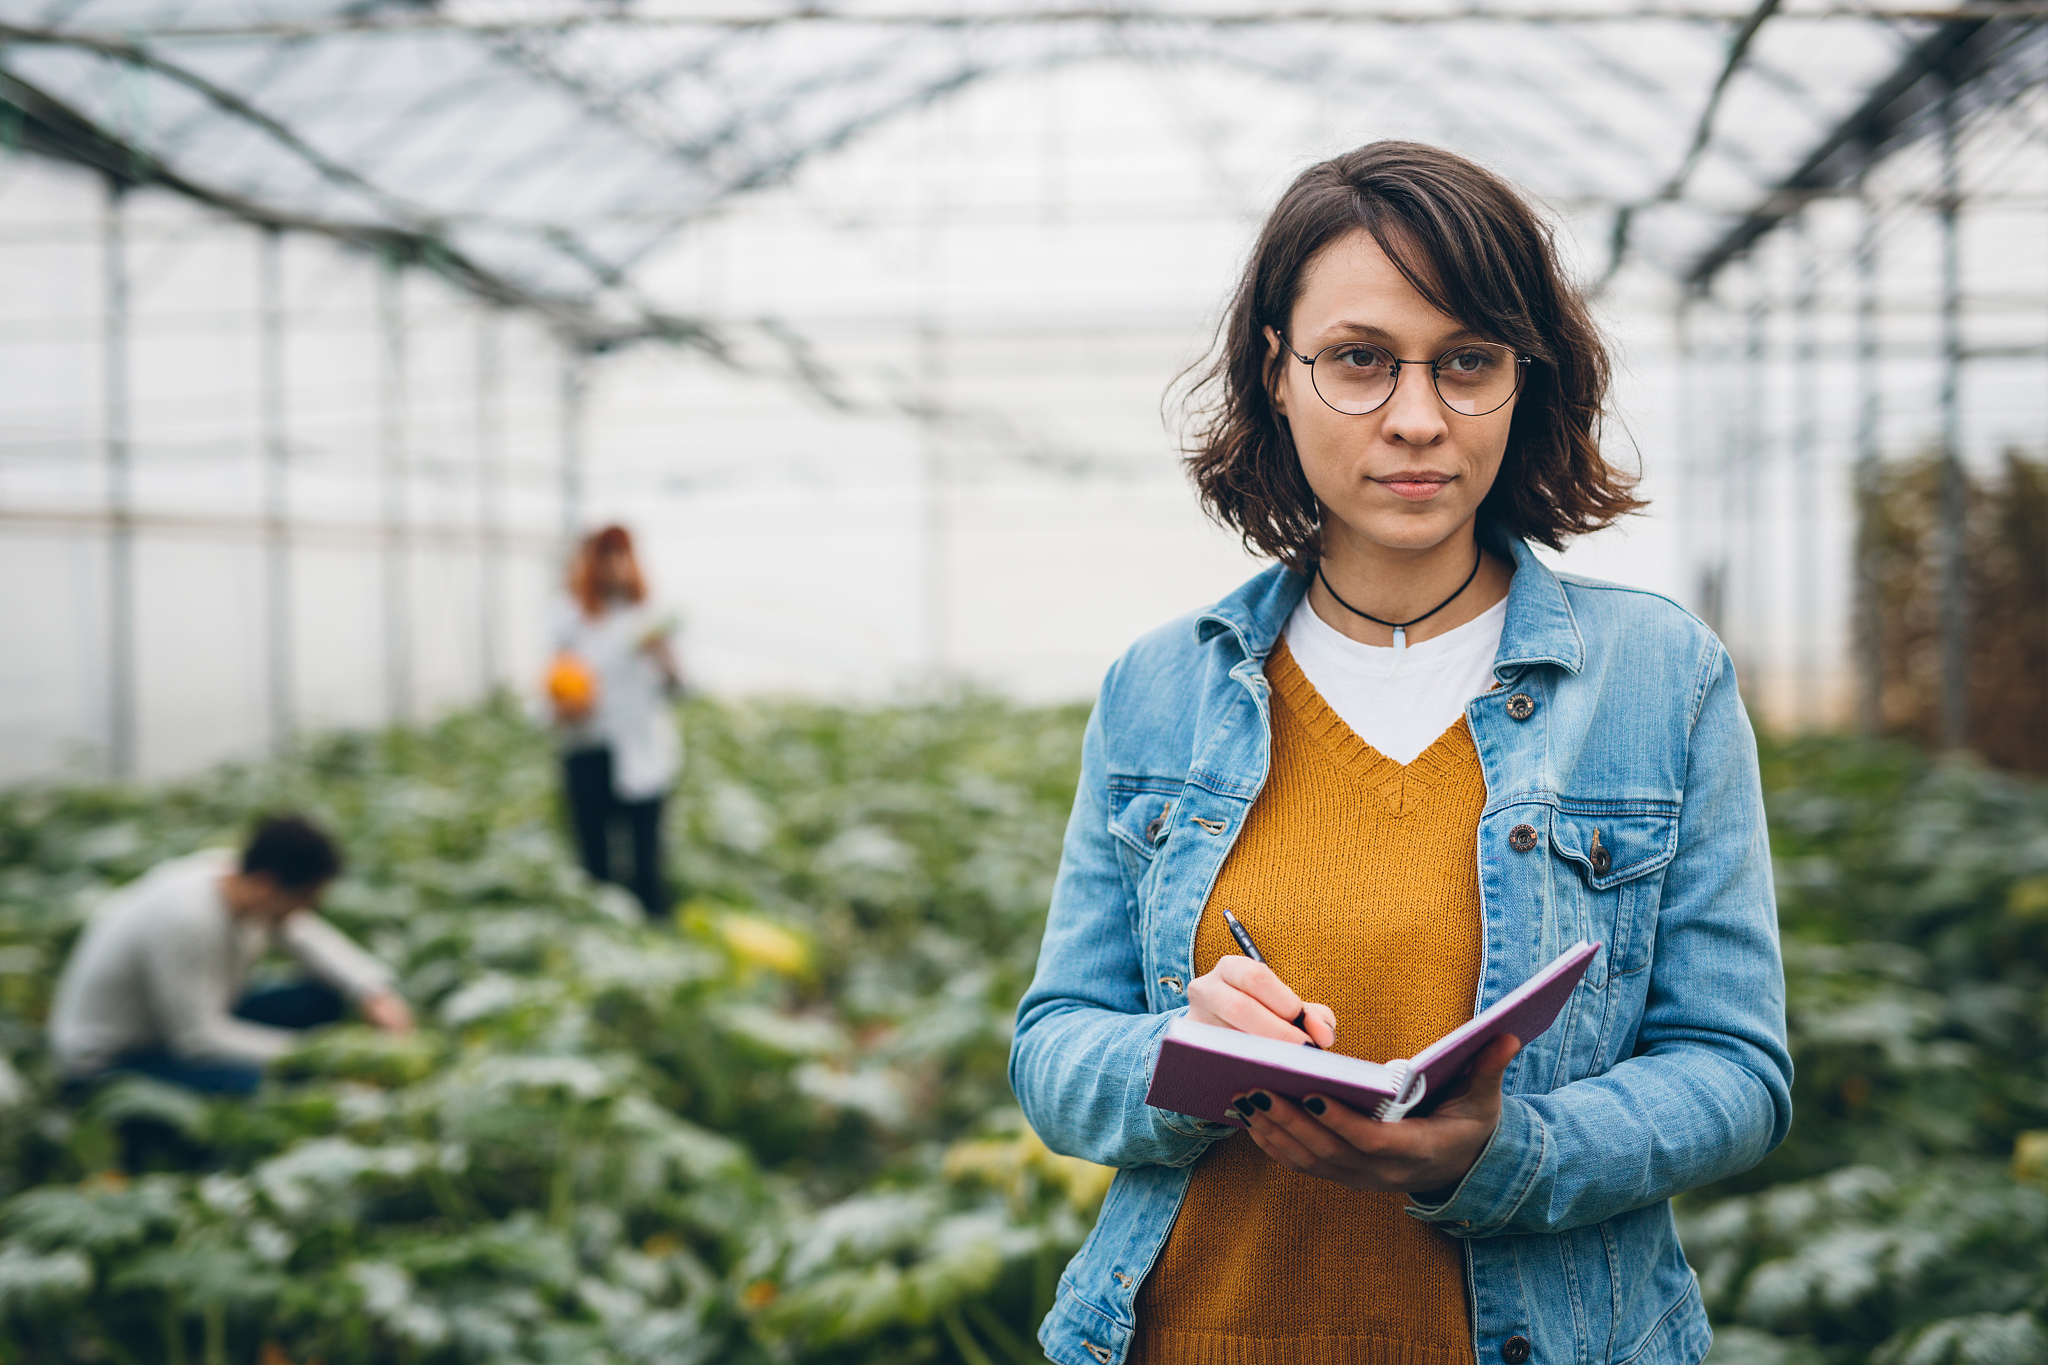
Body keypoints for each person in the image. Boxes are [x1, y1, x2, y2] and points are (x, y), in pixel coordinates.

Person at [1009, 142, 1792, 1365]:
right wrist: (1180, 1054)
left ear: (1526, 379)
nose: (1417, 418)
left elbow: (1733, 1072)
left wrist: (1498, 1153)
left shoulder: (1656, 679)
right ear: (1277, 372)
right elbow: (1053, 1048)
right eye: (1359, 361)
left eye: (1467, 362)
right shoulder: (1159, 687)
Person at [50, 814, 413, 1096]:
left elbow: (308, 938)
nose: (304, 911)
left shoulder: (239, 880)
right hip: (115, 1062)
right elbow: (197, 1042)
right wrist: (316, 1057)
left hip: (180, 1025)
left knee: (321, 998)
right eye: (303, 900)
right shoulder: (186, 919)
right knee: (272, 1089)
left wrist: (373, 992)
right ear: (268, 885)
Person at [549, 524, 682, 920]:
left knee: (647, 858)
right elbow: (550, 686)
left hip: (642, 752)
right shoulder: (567, 618)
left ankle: (653, 938)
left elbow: (684, 687)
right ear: (589, 563)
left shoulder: (651, 617)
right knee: (594, 861)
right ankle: (602, 939)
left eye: (621, 555)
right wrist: (562, 707)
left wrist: (664, 657)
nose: (614, 565)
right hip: (586, 748)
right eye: (605, 555)